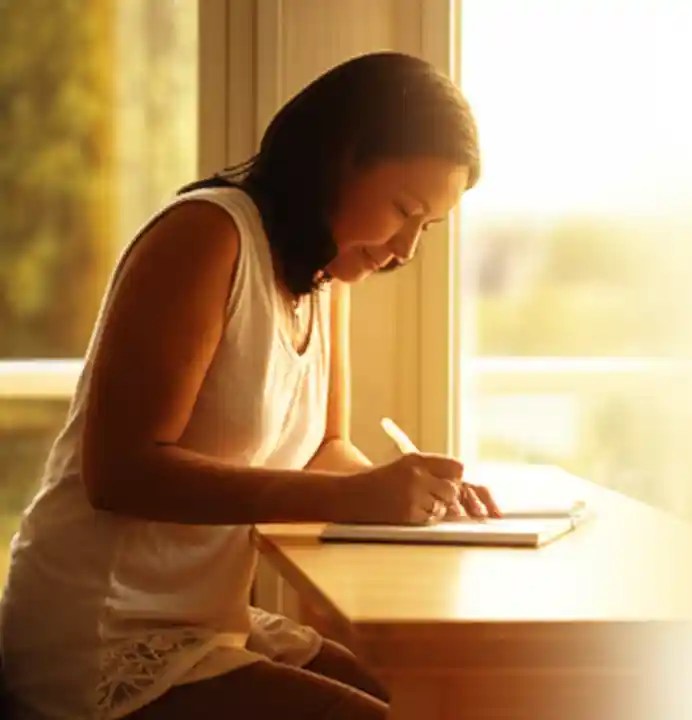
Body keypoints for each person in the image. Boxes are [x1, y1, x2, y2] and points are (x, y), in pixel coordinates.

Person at [0, 51, 498, 719]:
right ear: (336, 158)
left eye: (425, 227)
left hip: (208, 614)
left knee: (399, 692)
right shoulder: (207, 236)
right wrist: (356, 497)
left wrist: (416, 497)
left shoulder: (323, 278)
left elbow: (325, 450)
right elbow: (120, 471)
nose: (405, 250)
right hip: (105, 623)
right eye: (402, 209)